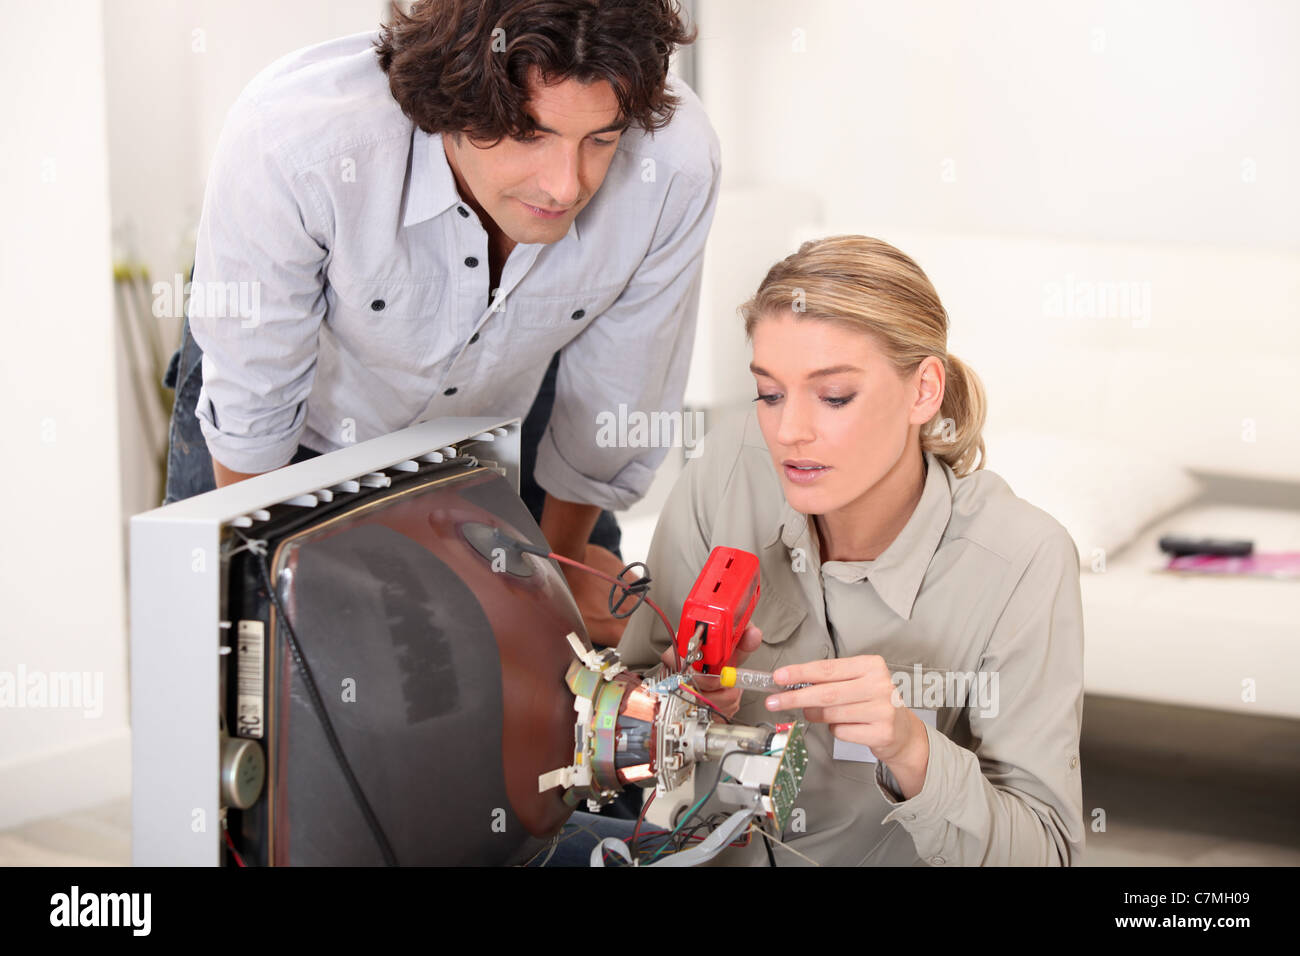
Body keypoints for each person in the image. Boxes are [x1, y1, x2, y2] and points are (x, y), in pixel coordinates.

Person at [162, 0, 720, 647]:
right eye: (531, 133)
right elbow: (253, 436)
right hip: (294, 414)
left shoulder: (672, 162)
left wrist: (550, 589)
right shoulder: (297, 142)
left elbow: (618, 389)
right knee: (254, 666)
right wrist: (290, 614)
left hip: (512, 392)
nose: (566, 186)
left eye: (601, 139)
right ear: (451, 101)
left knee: (551, 666)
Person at [614, 235, 1087, 865]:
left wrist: (912, 750)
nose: (789, 432)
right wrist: (677, 700)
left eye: (834, 397)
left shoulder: (1025, 559)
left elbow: (1048, 854)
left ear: (924, 391)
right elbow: (624, 717)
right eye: (770, 394)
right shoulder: (725, 469)